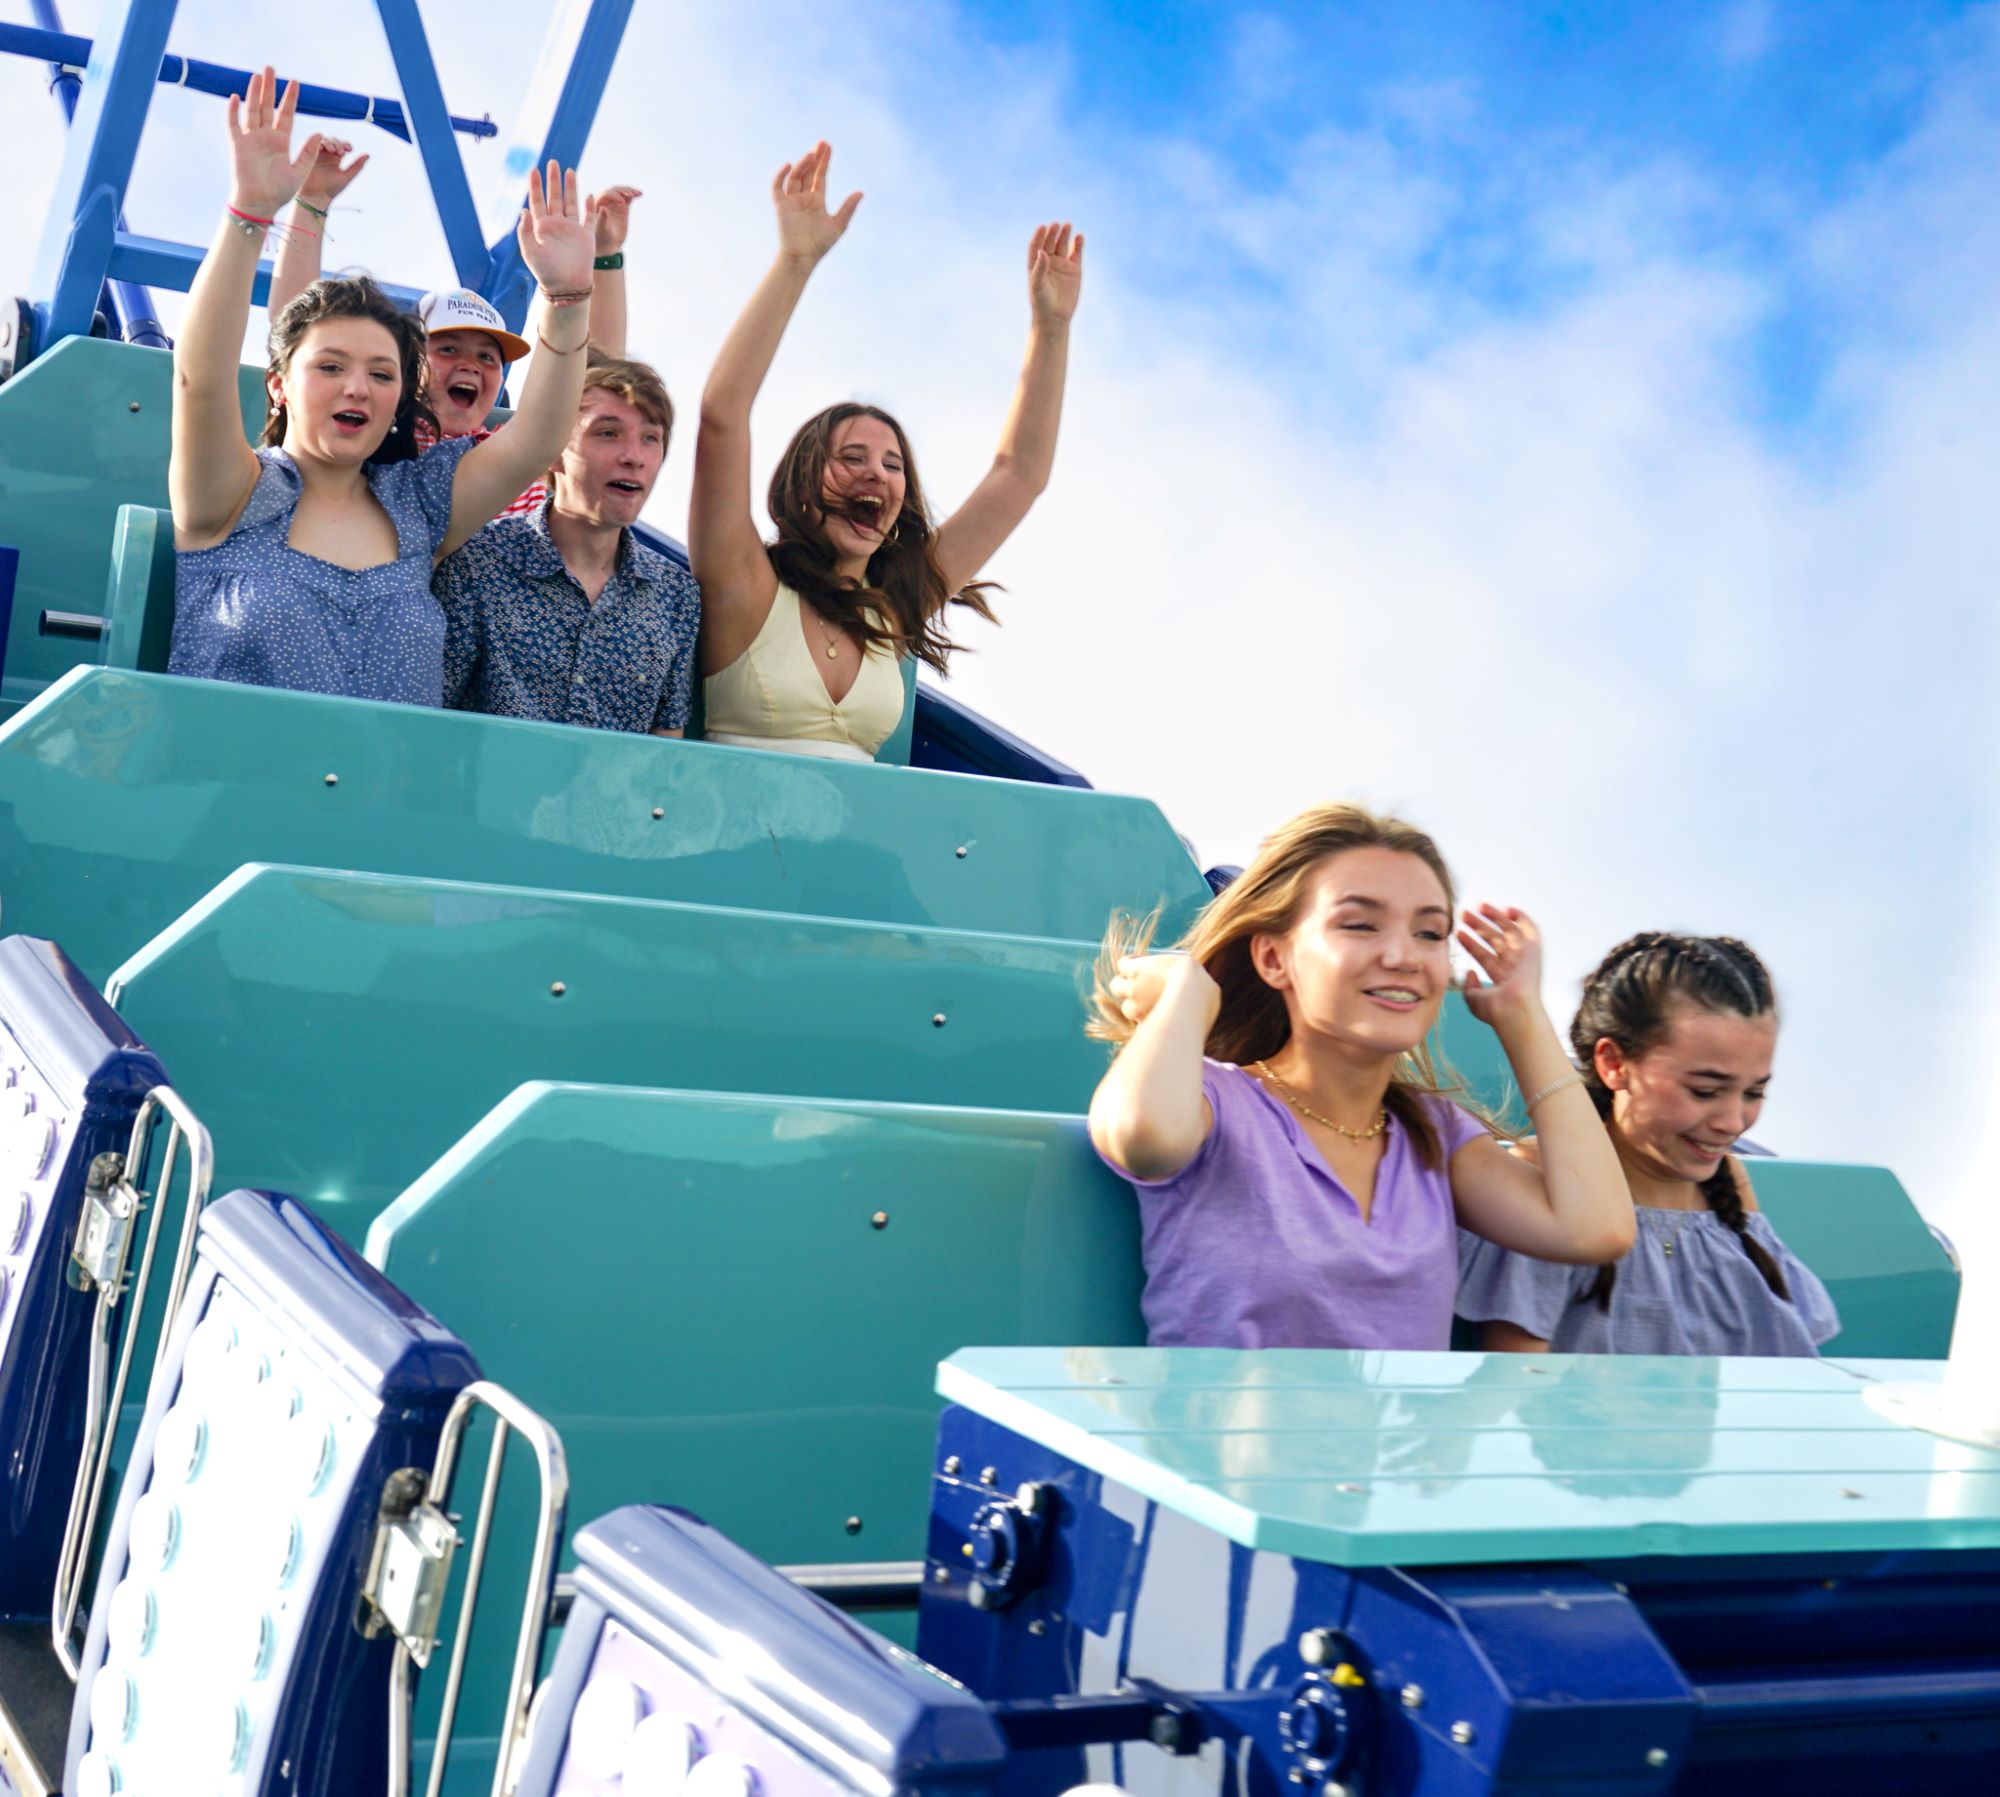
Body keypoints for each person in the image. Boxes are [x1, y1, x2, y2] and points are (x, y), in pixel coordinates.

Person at [1086, 804, 1634, 1350]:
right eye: (1359, 925)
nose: (1403, 956)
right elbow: (1143, 1138)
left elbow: (1596, 1229)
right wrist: (1185, 994)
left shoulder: (1436, 1136)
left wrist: (1522, 1015)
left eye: (1429, 933)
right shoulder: (1213, 1100)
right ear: (1275, 958)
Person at [167, 69, 598, 707]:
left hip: (393, 803)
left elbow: (537, 439)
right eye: (331, 367)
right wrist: (250, 215)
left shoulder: (418, 506)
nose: (358, 389)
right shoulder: (232, 493)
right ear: (280, 384)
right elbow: (199, 380)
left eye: (382, 373)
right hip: (233, 798)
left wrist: (567, 299)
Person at [689, 141, 1082, 761]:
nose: (878, 473)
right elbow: (722, 416)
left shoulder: (893, 612)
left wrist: (1051, 329)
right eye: (852, 458)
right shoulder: (743, 582)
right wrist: (795, 261)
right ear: (800, 484)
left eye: (893, 465)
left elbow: (1018, 476)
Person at [1456, 933, 1840, 1355]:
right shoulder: (1542, 1174)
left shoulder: (1731, 1180)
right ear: (1614, 1064)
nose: (1733, 1123)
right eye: (1704, 1090)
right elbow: (1519, 1381)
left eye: (1753, 1093)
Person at [270, 142, 642, 517]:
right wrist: (312, 202)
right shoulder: (370, 433)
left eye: (487, 356)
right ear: (405, 364)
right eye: (448, 349)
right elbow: (297, 335)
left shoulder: (514, 452)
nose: (471, 365)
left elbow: (602, 381)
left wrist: (604, 256)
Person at [437, 351, 700, 735]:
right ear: (552, 450)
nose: (634, 457)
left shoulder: (676, 595)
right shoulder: (475, 565)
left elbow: (666, 748)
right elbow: (429, 725)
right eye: (608, 433)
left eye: (650, 439)